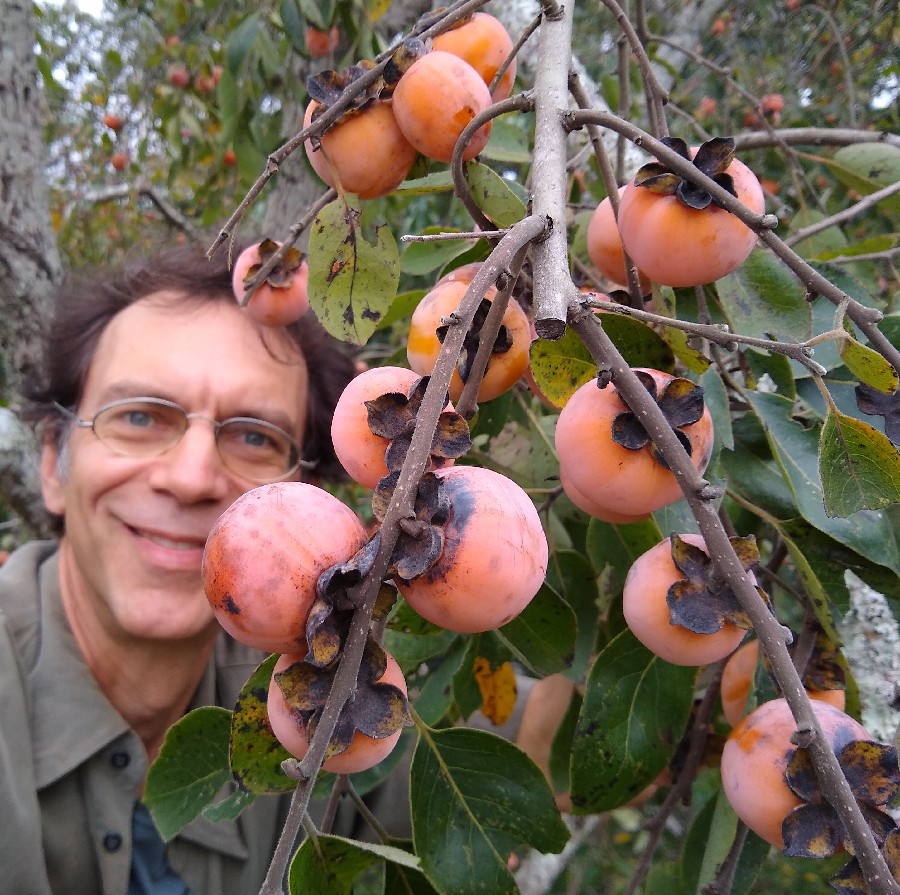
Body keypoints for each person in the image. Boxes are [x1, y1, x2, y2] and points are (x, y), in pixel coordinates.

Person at [0, 241, 356, 895]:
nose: (192, 478)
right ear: (53, 462)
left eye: (255, 436)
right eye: (138, 416)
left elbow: (548, 736)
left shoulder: (325, 698)